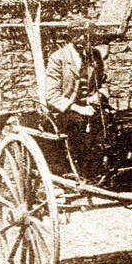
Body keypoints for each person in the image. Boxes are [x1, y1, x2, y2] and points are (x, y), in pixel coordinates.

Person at [44, 17, 108, 178]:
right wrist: (78, 108)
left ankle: (103, 171)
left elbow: (104, 82)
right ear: (71, 36)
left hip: (91, 108)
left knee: (114, 123)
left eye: (87, 35)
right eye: (78, 35)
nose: (83, 39)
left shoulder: (95, 55)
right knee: (77, 124)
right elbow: (51, 95)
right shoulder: (58, 58)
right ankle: (79, 172)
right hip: (65, 111)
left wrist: (99, 95)